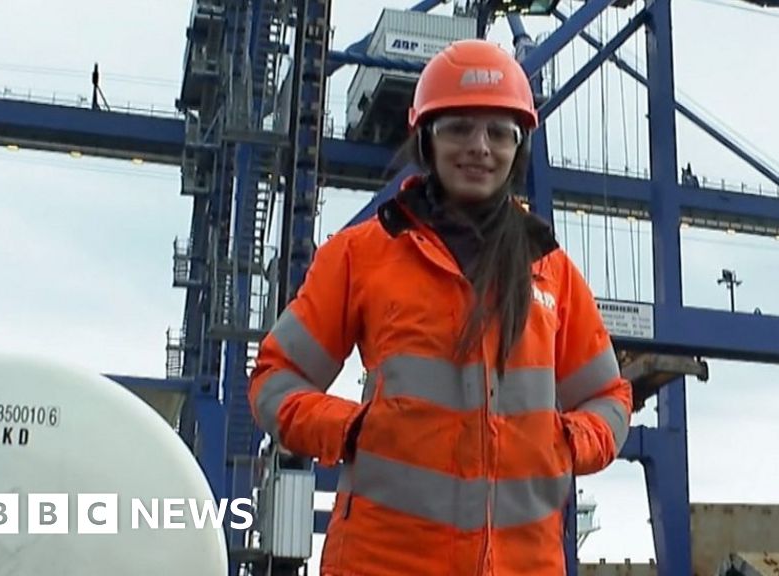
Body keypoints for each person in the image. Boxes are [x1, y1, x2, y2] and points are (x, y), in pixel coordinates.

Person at [248, 39, 633, 576]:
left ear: (519, 146)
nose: (480, 147)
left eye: (499, 132)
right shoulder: (360, 256)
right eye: (458, 128)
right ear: (426, 137)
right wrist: (350, 429)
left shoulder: (553, 272)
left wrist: (568, 442)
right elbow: (276, 379)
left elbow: (609, 398)